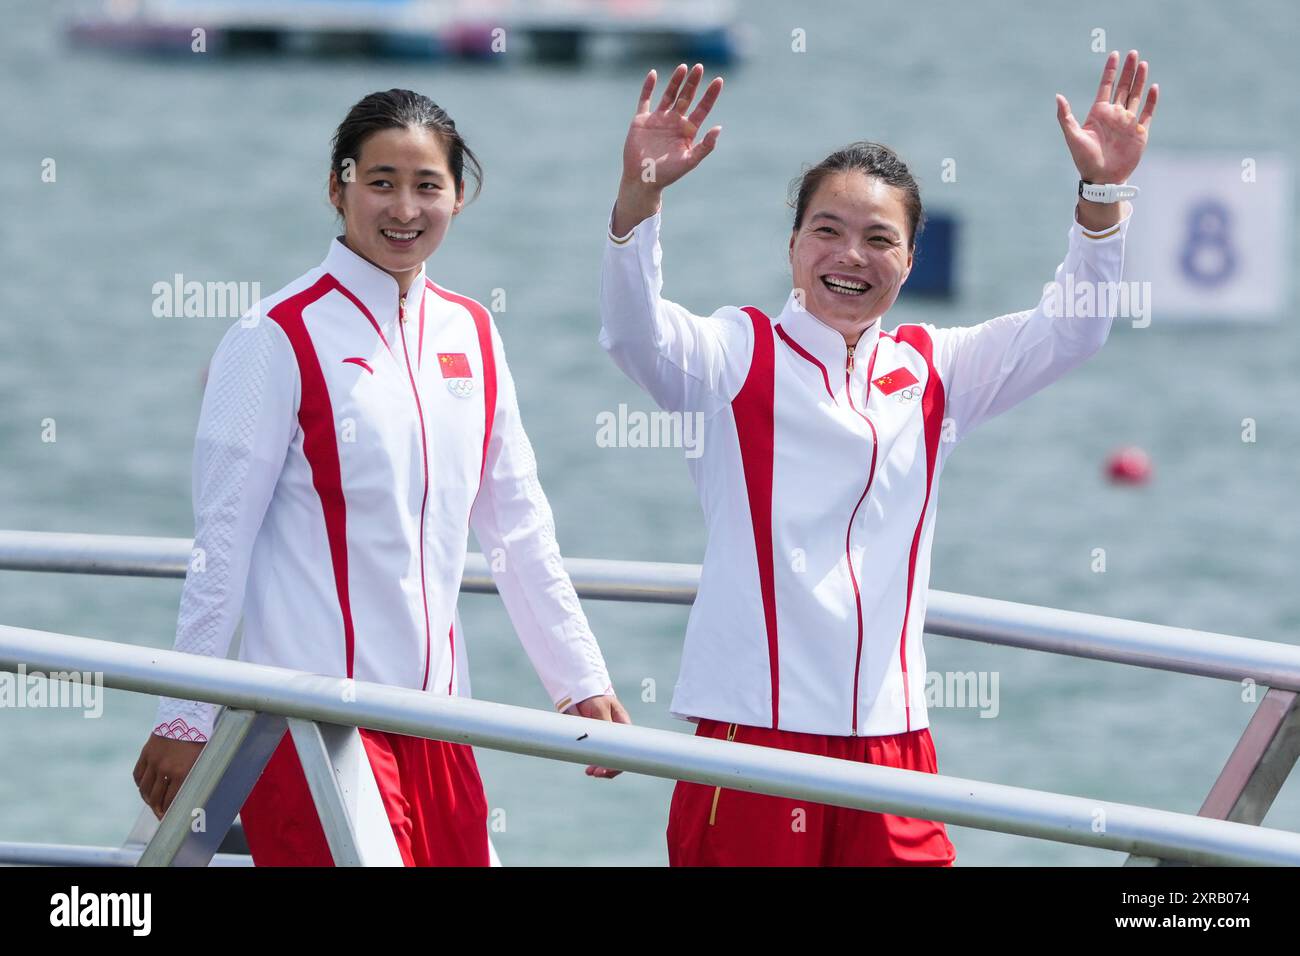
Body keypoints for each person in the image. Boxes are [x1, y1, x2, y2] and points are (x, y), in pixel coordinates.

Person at [599, 54, 1158, 866]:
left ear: (910, 258)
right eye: (827, 230)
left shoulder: (937, 368)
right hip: (752, 738)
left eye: (878, 239)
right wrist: (641, 193)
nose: (850, 256)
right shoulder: (732, 356)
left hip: (892, 740)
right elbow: (631, 330)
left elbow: (1073, 329)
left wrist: (1102, 198)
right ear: (793, 243)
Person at [133, 89, 630, 867]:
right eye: (381, 181)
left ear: (459, 197)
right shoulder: (274, 336)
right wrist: (185, 716)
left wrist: (578, 681)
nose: (405, 207)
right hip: (308, 728)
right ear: (338, 187)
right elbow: (220, 542)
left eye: (428, 184)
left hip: (441, 724)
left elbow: (519, 527)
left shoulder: (471, 328)